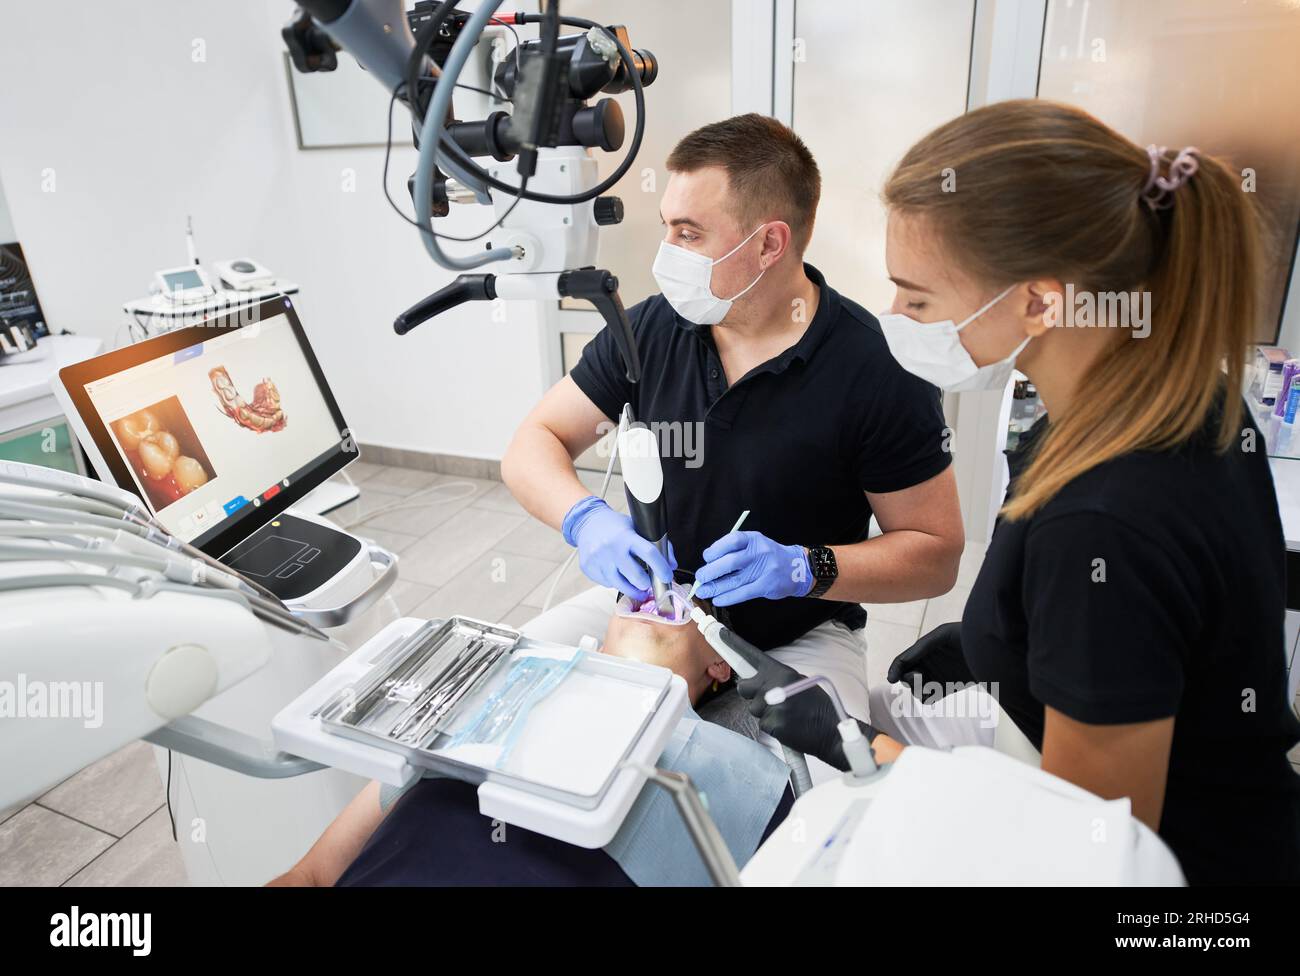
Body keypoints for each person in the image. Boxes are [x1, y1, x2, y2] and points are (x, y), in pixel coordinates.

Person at [735, 99, 1300, 886]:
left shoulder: (1108, 521)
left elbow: (1088, 848)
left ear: (1038, 300)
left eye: (918, 298)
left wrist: (876, 754)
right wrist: (988, 646)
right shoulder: (1151, 392)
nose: (893, 316)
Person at [502, 114, 964, 779]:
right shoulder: (653, 329)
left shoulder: (877, 372)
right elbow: (532, 443)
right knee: (504, 701)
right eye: (667, 226)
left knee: (819, 804)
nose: (667, 252)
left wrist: (809, 568)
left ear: (769, 243)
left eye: (688, 233)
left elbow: (935, 555)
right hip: (656, 605)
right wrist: (587, 520)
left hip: (800, 634)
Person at [267, 594, 796, 887]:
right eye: (630, 590)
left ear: (720, 665)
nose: (655, 591)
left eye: (681, 594)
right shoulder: (478, 698)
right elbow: (311, 875)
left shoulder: (750, 774)